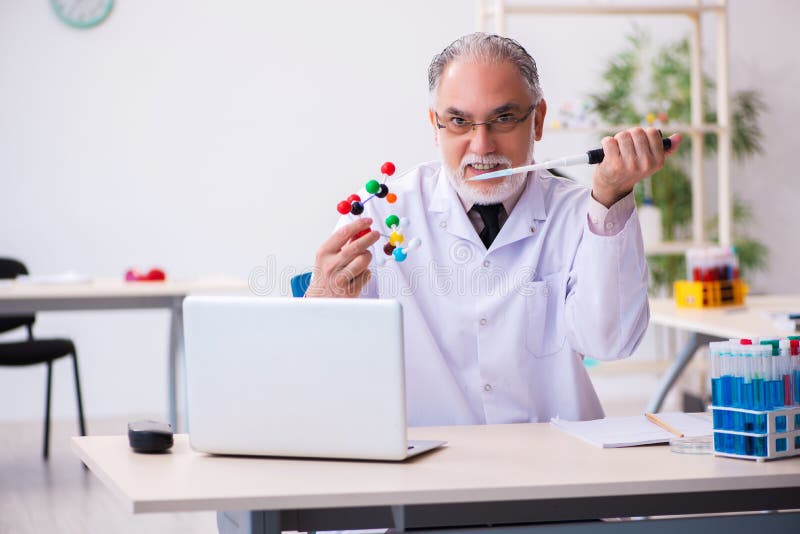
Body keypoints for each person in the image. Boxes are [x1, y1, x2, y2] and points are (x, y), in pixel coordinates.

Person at [306, 33, 681, 425]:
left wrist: (612, 195)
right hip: (432, 464)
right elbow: (325, 373)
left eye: (503, 119)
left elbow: (611, 342)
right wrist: (321, 300)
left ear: (537, 120)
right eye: (459, 121)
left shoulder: (582, 211)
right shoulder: (381, 217)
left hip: (559, 461)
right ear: (435, 126)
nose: (481, 146)